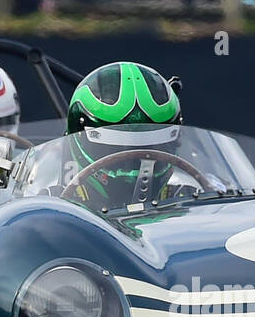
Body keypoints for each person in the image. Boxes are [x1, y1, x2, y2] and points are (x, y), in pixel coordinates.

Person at [63, 62, 187, 211]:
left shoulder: (193, 199)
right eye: (114, 149)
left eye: (153, 146)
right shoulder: (53, 209)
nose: (136, 167)